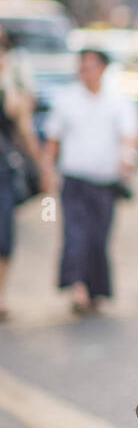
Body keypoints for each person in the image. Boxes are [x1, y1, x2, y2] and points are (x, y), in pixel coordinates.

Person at [42, 49, 138, 314]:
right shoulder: (66, 99)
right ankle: (77, 288)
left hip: (105, 181)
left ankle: (96, 288)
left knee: (98, 236)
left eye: (91, 66)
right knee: (75, 233)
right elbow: (53, 138)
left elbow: (129, 137)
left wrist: (127, 161)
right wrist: (47, 170)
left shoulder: (117, 101)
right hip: (74, 179)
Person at [0, 29, 47, 320]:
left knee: (3, 236)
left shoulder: (9, 84)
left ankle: (1, 296)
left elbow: (22, 121)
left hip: (2, 168)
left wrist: (42, 163)